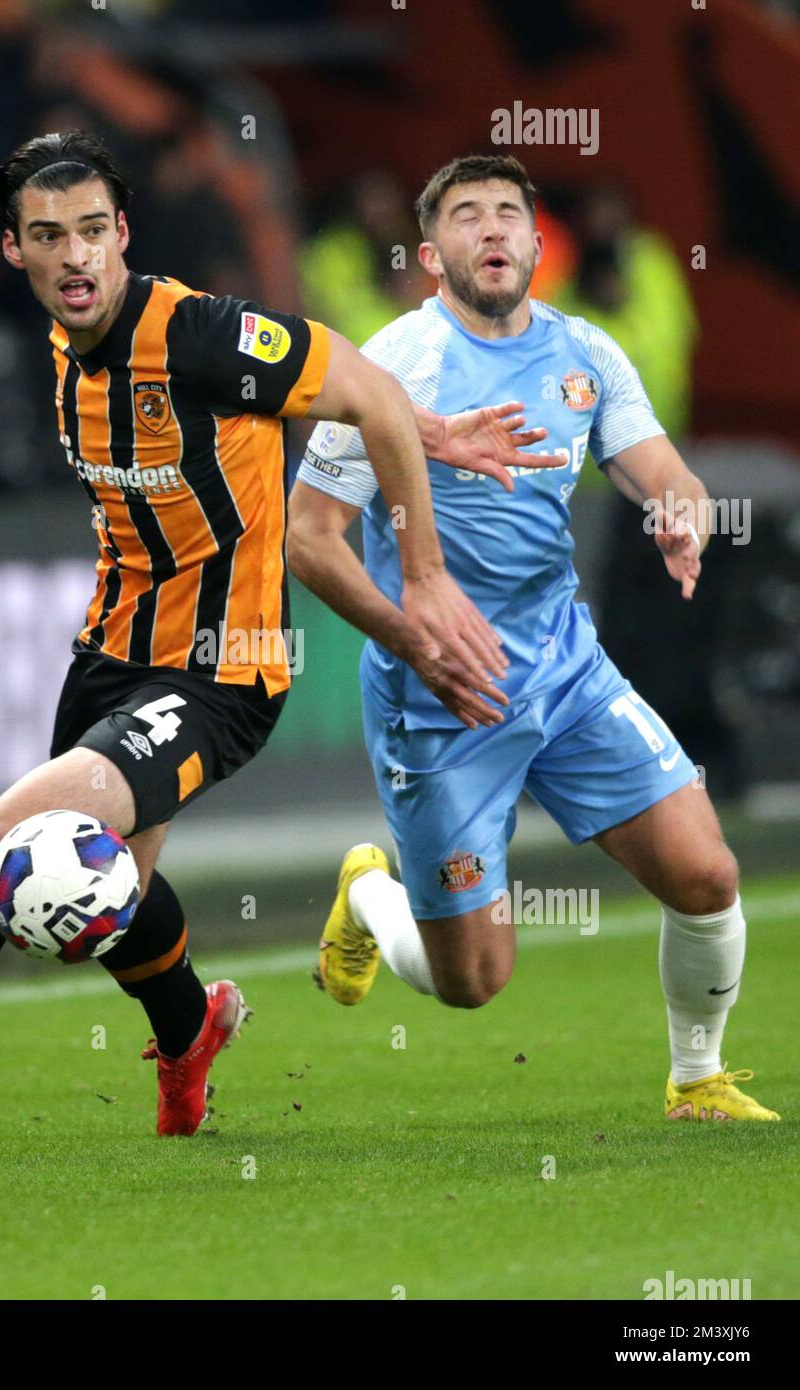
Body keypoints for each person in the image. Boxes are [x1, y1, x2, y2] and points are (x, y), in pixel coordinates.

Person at [0, 132, 553, 1156]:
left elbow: (360, 392)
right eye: (45, 237)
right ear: (13, 253)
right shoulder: (66, 338)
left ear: (121, 234)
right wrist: (434, 428)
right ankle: (190, 1030)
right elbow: (325, 403)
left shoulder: (200, 334)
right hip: (111, 655)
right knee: (100, 898)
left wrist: (422, 568)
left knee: (5, 851)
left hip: (222, 670)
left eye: (88, 233)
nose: (72, 257)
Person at [288, 154, 778, 1123]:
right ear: (431, 254)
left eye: (508, 212)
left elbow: (663, 474)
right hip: (441, 695)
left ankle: (695, 1079)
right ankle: (372, 896)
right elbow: (308, 539)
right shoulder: (386, 370)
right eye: (466, 216)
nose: (492, 229)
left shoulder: (583, 352)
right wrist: (411, 637)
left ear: (535, 242)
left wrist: (681, 514)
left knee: (705, 870)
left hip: (562, 668)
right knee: (472, 979)